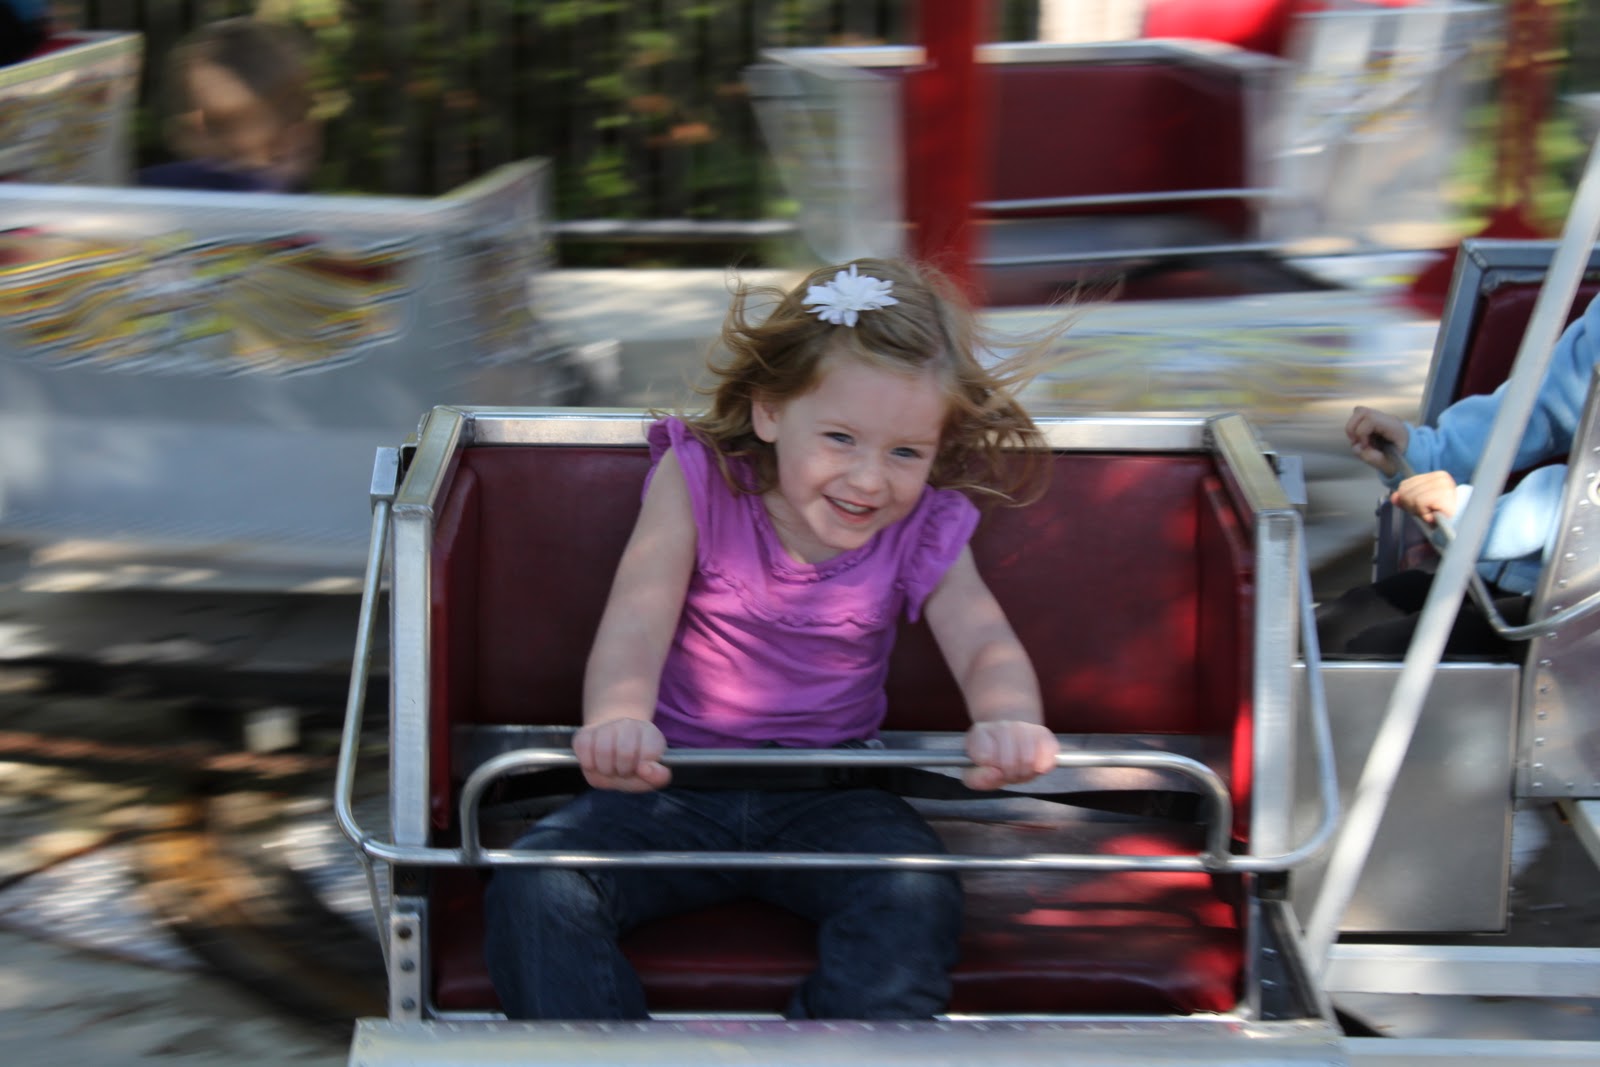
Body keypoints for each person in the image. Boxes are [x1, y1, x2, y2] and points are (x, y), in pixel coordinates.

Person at [483, 259, 1064, 1021]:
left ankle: (839, 1046)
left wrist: (1010, 716)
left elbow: (984, 640)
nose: (868, 478)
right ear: (769, 412)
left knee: (915, 886)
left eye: (904, 453)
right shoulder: (699, 483)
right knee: (537, 881)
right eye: (840, 437)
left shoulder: (924, 526)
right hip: (674, 785)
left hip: (832, 794)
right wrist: (617, 717)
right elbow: (638, 611)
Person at [1317, 291, 1600, 656]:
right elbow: (1542, 407)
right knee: (1327, 631)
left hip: (1582, 599)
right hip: (1534, 572)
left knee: (1375, 654)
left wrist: (1476, 518)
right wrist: (1426, 452)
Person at [137, 17, 320, 193]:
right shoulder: (165, 182)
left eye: (222, 124)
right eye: (188, 107)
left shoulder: (276, 194)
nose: (195, 124)